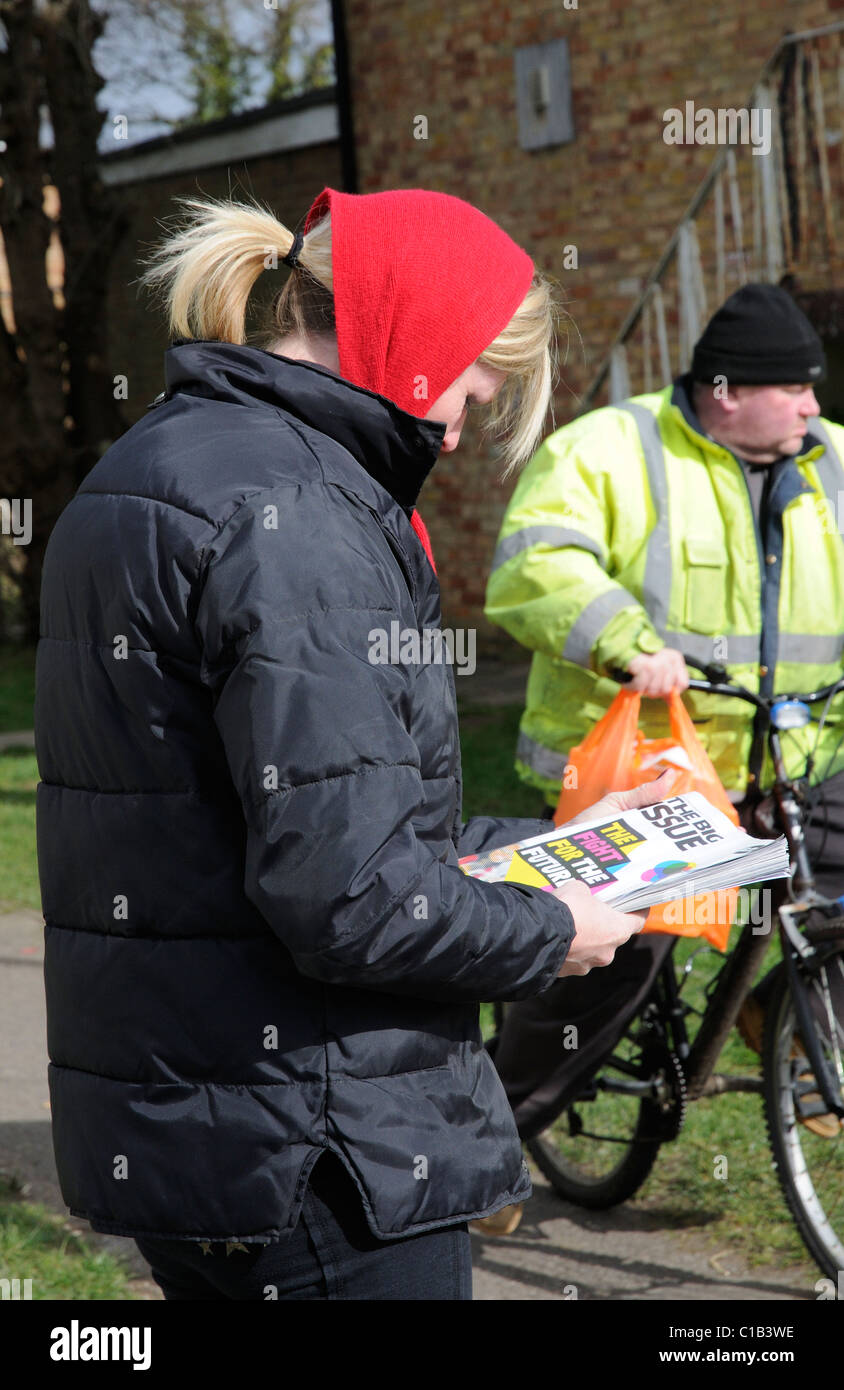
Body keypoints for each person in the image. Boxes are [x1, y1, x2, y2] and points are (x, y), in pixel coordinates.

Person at [33, 186, 671, 1301]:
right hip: (323, 1145)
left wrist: (566, 839)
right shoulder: (304, 516)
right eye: (478, 379)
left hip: (201, 1123)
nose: (470, 420)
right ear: (417, 342)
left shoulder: (153, 466)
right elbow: (350, 898)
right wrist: (551, 927)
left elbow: (294, 819)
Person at [484, 283, 844, 1147]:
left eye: (814, 386)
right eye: (792, 387)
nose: (812, 405)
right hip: (653, 781)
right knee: (605, 967)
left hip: (799, 761)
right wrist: (627, 643)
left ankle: (779, 1016)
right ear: (725, 392)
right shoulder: (608, 449)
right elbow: (535, 563)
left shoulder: (830, 458)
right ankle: (490, 1137)